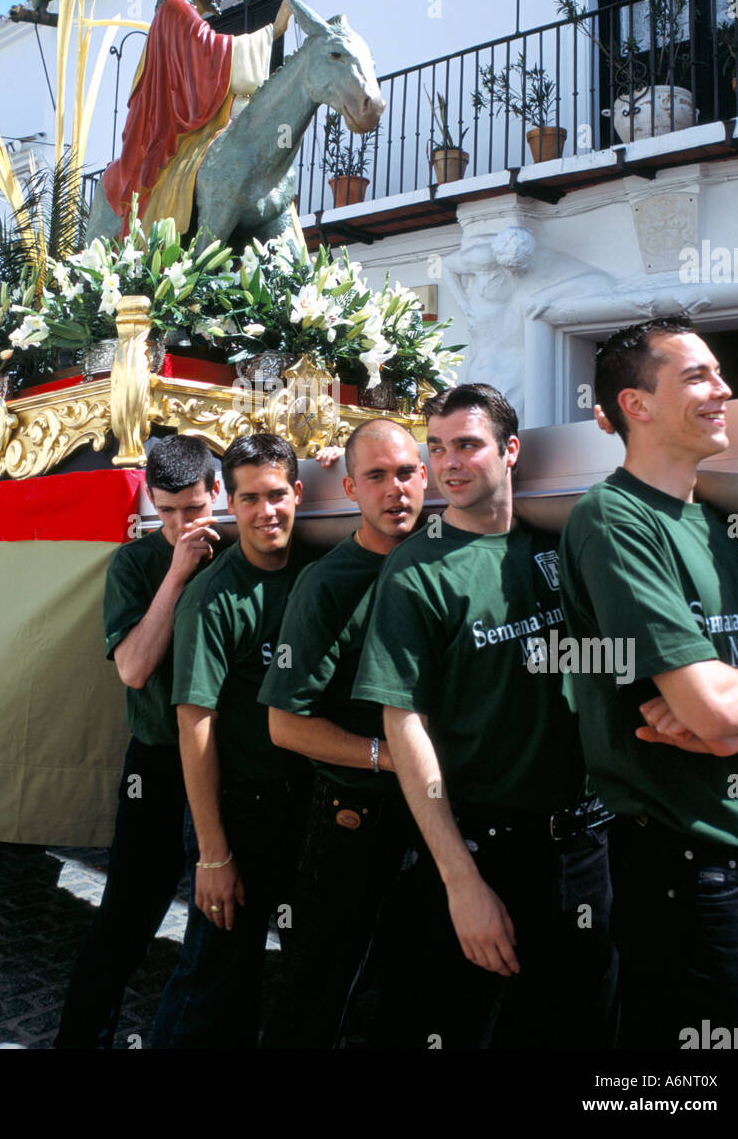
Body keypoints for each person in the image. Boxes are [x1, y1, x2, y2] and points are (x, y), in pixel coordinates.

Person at [353, 384, 617, 1048]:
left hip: (587, 844)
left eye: (466, 445)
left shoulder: (554, 544)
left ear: (510, 451)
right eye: (436, 448)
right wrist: (460, 882)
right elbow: (402, 725)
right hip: (488, 848)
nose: (447, 463)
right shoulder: (417, 573)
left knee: (581, 1025)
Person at [559, 315, 738, 1047]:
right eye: (697, 377)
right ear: (635, 406)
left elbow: (719, 718)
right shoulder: (613, 521)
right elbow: (709, 715)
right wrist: (731, 710)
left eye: (716, 373)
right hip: (692, 868)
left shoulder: (732, 523)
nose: (723, 390)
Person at [259, 419, 426, 1047]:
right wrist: (394, 758)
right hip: (355, 821)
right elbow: (284, 726)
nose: (395, 490)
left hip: (437, 819)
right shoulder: (326, 584)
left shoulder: (443, 559)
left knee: (409, 993)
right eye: (376, 477)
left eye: (405, 472)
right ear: (351, 488)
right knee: (320, 995)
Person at [54, 435, 221, 1049]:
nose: (181, 524)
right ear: (151, 501)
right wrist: (176, 576)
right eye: (168, 511)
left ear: (216, 493)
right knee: (126, 914)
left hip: (231, 764)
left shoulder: (239, 547)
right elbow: (132, 668)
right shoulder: (134, 563)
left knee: (224, 911)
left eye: (194, 509)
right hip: (157, 762)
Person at [151, 433, 312, 1049]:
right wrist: (213, 854)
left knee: (293, 969)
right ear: (229, 501)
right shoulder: (211, 598)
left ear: (299, 494)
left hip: (306, 804)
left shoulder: (313, 570)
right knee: (214, 975)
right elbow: (195, 727)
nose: (266, 511)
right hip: (239, 812)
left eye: (277, 495)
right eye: (250, 499)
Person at [102, 0, 291, 238]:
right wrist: (273, 31)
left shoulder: (181, 14)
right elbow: (209, 52)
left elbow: (202, 59)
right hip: (168, 126)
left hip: (185, 116)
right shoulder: (175, 9)